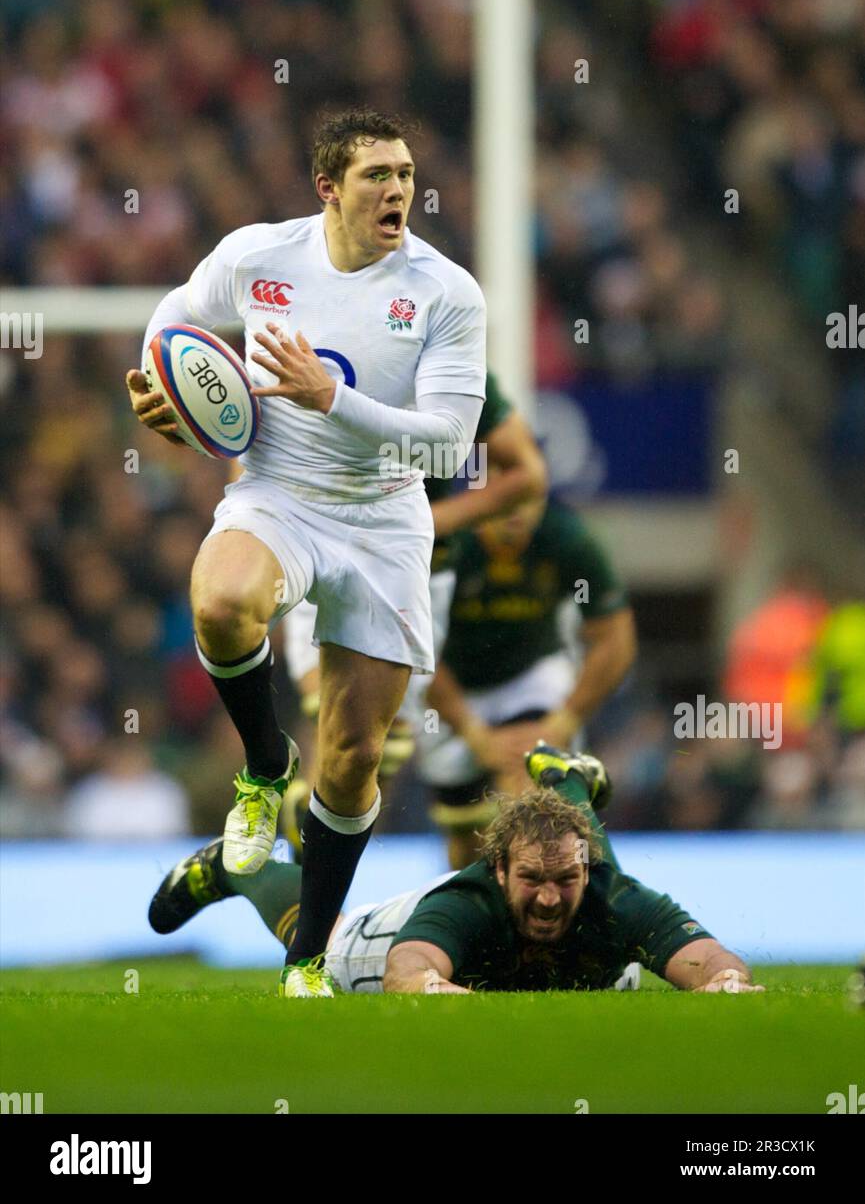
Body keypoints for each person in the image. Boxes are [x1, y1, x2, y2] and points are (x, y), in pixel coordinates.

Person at [127, 108, 486, 996]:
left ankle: (308, 958)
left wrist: (330, 397)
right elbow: (176, 318)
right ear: (328, 187)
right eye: (376, 175)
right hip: (276, 492)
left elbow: (445, 447)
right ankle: (260, 768)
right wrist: (157, 390)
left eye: (404, 172)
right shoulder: (258, 257)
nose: (397, 189)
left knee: (356, 753)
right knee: (218, 602)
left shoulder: (445, 293)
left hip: (382, 517)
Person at [149, 744, 763, 997]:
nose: (549, 899)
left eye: (564, 883)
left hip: (587, 911)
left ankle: (565, 780)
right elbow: (406, 971)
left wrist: (725, 984)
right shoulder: (468, 901)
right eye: (531, 882)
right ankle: (234, 870)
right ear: (497, 872)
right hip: (389, 936)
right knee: (325, 937)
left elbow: (714, 960)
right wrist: (447, 995)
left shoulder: (614, 894)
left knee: (587, 880)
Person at [280, 369, 548, 842]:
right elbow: (249, 444)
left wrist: (427, 520)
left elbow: (527, 472)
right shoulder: (312, 336)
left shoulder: (451, 365)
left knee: (378, 748)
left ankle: (319, 883)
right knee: (342, 722)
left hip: (416, 572)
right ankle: (306, 884)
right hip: (323, 548)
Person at [420, 491, 637, 865]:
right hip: (447, 685)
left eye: (525, 499)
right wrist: (473, 732)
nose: (515, 513)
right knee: (464, 837)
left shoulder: (566, 538)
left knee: (533, 777)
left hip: (532, 676)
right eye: (503, 501)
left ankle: (540, 886)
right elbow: (412, 646)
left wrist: (565, 720)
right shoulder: (445, 543)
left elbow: (615, 639)